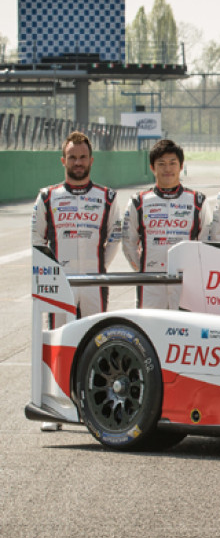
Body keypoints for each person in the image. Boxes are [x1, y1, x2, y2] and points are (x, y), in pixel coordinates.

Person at [31, 130, 122, 430]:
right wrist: (54, 276)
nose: (78, 162)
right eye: (72, 156)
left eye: (83, 157)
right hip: (62, 284)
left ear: (91, 160)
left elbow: (115, 239)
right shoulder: (47, 196)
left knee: (96, 343)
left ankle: (95, 406)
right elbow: (37, 240)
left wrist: (99, 266)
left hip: (95, 281)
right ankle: (55, 409)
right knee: (59, 342)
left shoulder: (107, 196)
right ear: (63, 160)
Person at [122, 139, 210, 309]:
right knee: (151, 331)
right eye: (161, 164)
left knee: (185, 332)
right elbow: (128, 243)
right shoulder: (138, 201)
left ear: (181, 166)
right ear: (152, 168)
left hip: (186, 284)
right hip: (150, 285)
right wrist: (142, 269)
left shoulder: (197, 201)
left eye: (172, 163)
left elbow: (206, 241)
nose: (167, 169)